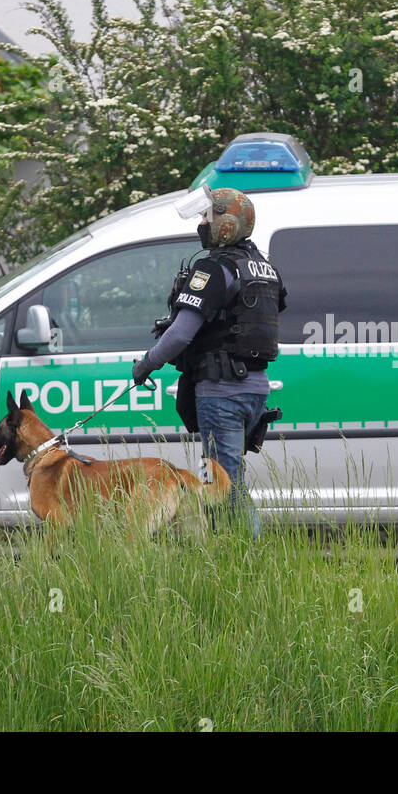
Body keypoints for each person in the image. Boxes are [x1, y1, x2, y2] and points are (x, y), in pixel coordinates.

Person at [132, 187, 285, 538]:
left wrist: (146, 365)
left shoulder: (214, 269)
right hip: (254, 392)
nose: (202, 223)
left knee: (222, 486)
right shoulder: (265, 268)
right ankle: (215, 547)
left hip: (221, 393)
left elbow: (181, 334)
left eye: (208, 217)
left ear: (226, 225)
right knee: (225, 474)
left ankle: (246, 559)